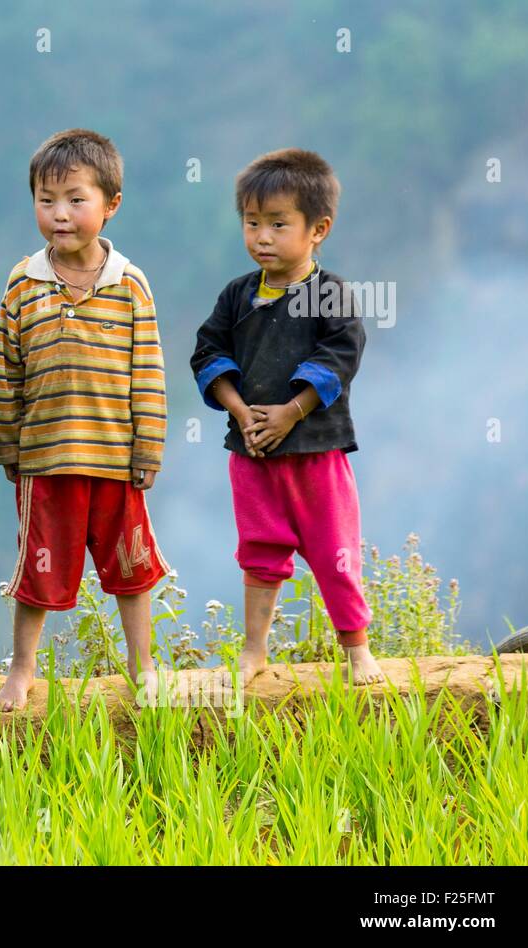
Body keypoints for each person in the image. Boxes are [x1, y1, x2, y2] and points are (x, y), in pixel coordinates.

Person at [0, 129, 171, 712]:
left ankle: (142, 663)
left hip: (115, 458)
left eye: (75, 199)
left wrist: (148, 449)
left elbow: (147, 373)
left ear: (110, 204)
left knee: (131, 565)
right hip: (45, 458)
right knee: (38, 568)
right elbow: (9, 371)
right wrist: (8, 446)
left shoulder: (129, 284)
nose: (60, 214)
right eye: (47, 201)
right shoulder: (23, 284)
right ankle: (22, 669)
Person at [191, 147, 382, 687]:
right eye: (252, 224)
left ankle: (356, 648)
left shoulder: (330, 295)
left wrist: (290, 413)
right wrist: (242, 412)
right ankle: (255, 652)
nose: (262, 238)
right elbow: (208, 354)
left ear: (318, 228)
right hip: (253, 451)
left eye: (278, 224)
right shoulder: (237, 295)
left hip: (316, 452)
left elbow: (339, 358)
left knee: (334, 552)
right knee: (260, 550)